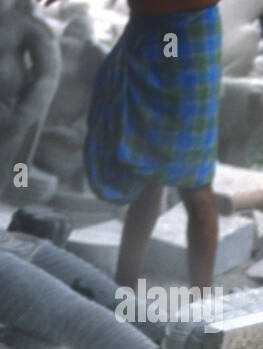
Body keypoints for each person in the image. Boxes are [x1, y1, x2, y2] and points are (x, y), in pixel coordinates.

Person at [46, 0, 222, 290]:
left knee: (196, 186)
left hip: (191, 38)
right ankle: (125, 286)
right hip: (144, 34)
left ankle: (203, 302)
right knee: (147, 174)